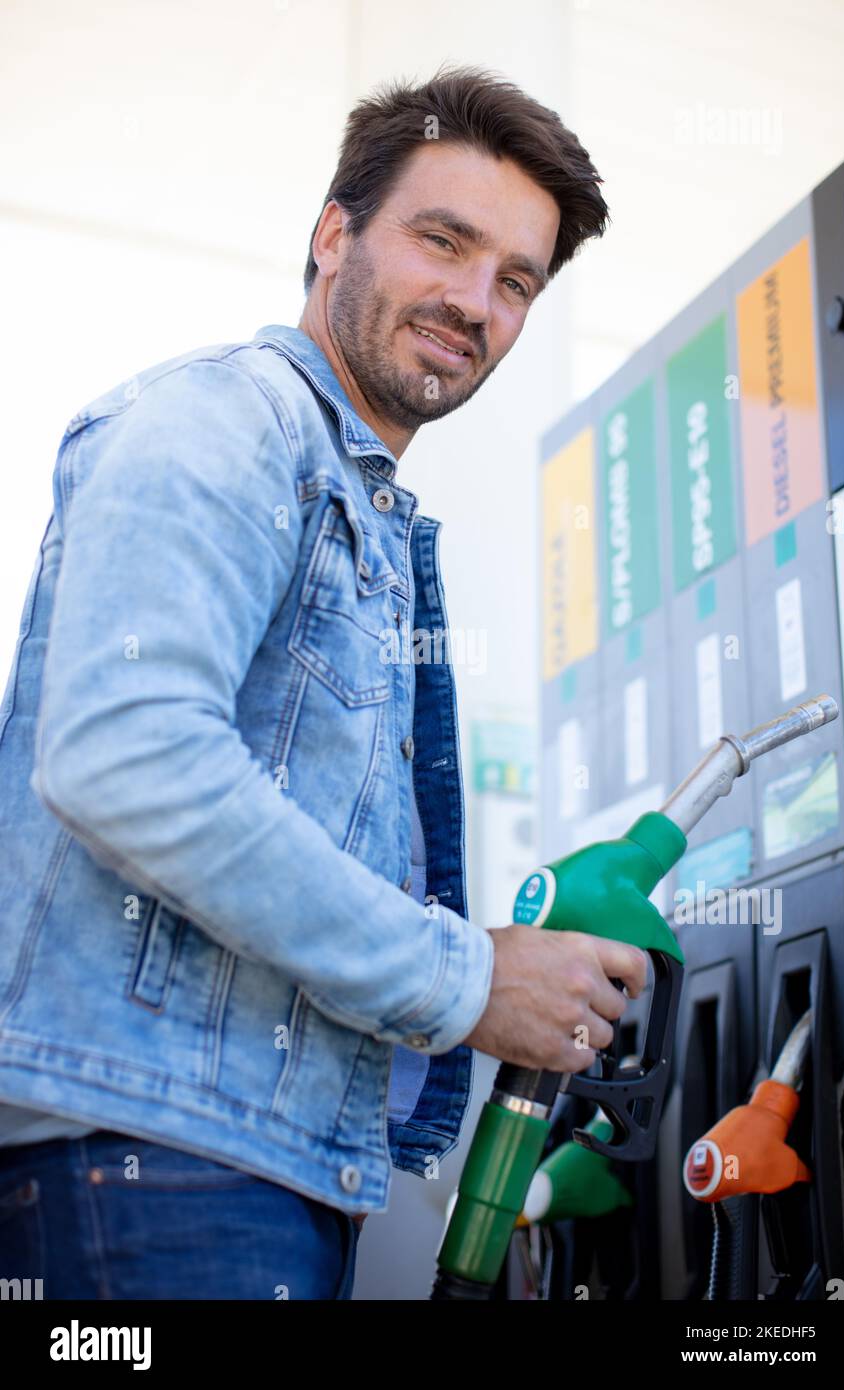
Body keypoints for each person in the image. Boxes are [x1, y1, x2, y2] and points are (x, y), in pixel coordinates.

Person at [0, 62, 652, 1301]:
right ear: (332, 236)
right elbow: (127, 753)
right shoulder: (226, 419)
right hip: (149, 1165)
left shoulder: (369, 520)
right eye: (442, 241)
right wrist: (470, 978)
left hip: (254, 1167)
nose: (471, 302)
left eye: (514, 280)